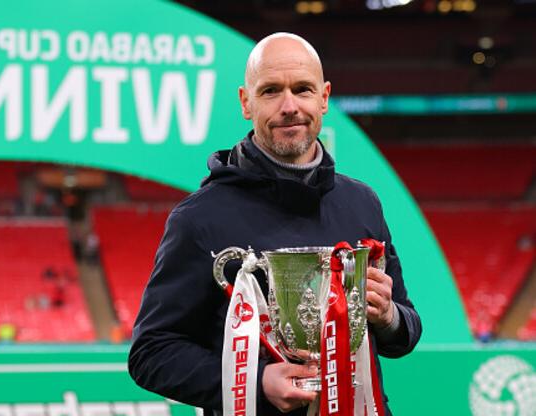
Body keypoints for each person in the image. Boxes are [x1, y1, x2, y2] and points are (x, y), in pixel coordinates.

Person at [128, 33, 422, 416]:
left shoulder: (362, 203)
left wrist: (389, 317)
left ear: (324, 97)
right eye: (270, 91)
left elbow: (405, 331)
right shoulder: (198, 218)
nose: (289, 106)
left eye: (302, 89)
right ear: (246, 103)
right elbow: (151, 353)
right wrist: (256, 383)